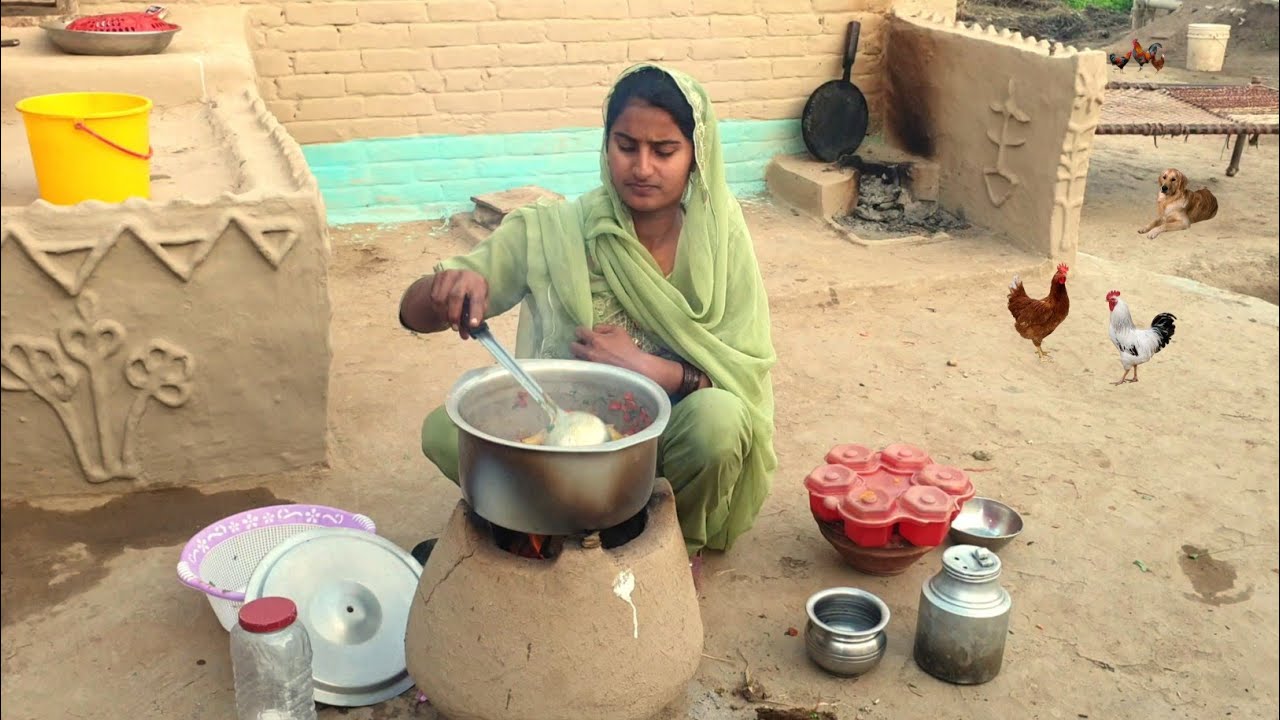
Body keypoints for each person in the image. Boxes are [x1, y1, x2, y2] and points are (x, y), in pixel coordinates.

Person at [398, 63, 777, 574]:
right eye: (626, 146)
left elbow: (742, 377)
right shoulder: (556, 231)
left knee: (720, 422)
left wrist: (648, 367)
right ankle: (551, 526)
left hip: (662, 449)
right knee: (447, 432)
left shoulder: (720, 240)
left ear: (696, 157)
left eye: (665, 151)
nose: (642, 167)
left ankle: (668, 554)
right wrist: (444, 291)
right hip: (555, 444)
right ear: (605, 145)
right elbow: (413, 313)